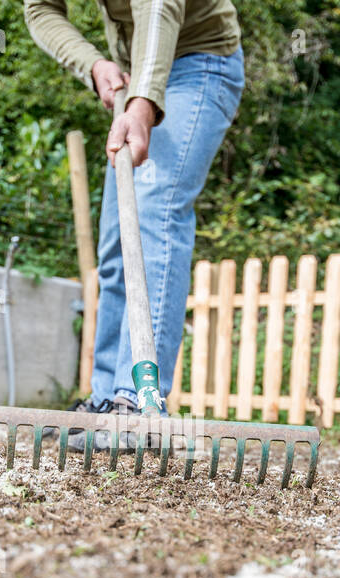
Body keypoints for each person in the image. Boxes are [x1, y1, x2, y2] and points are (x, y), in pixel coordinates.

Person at [23, 0, 244, 447]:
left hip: (201, 62)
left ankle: (138, 398)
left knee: (153, 211)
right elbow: (41, 9)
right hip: (133, 69)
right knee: (115, 242)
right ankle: (106, 400)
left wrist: (144, 102)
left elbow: (157, 6)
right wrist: (93, 64)